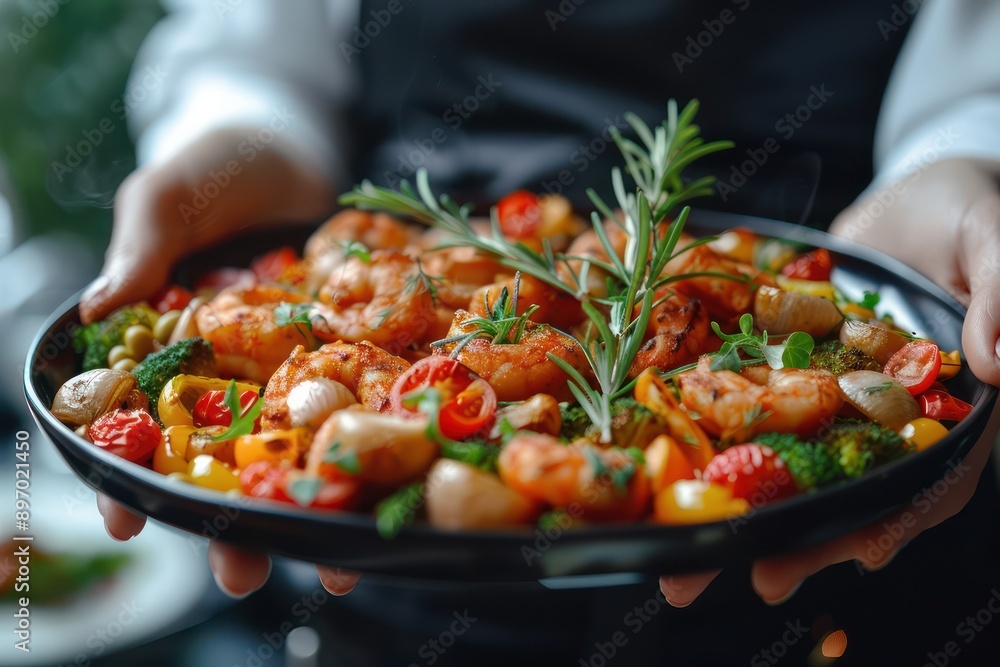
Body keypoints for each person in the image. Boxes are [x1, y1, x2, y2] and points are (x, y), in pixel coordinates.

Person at [81, 0, 1000, 607]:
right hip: (386, 593)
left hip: (841, 595)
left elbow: (976, 70)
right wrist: (236, 147)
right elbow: (259, 56)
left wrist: (965, 160)